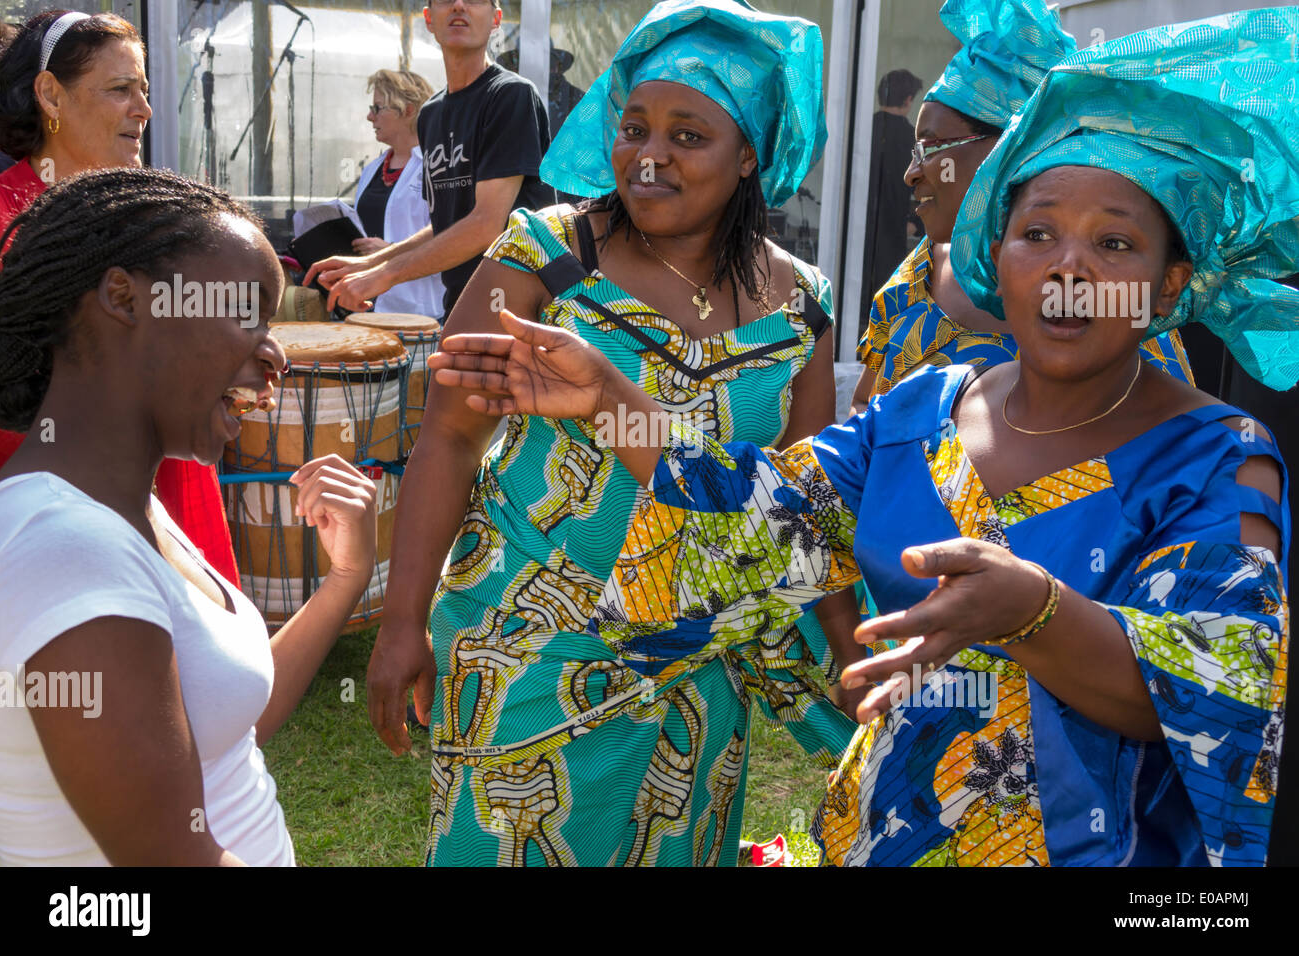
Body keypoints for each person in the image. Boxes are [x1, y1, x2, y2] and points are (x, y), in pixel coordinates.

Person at [430, 7, 1296, 866]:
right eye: (1038, 234)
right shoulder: (922, 416)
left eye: (1114, 243)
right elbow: (758, 515)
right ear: (999, 257)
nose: (1069, 269)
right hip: (892, 837)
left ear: (1169, 281)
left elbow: (1229, 687)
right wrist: (611, 400)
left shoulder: (1216, 458)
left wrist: (1035, 611)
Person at [366, 0, 856, 866]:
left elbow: (801, 514)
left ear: (750, 155)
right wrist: (403, 618)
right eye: (633, 127)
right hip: (524, 648)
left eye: (688, 135)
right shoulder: (543, 257)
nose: (649, 156)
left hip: (698, 673)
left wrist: (857, 660)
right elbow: (446, 439)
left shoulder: (802, 307)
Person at [0, 167, 379, 866]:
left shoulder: (123, 506)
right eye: (246, 314)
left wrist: (345, 578)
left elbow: (220, 728)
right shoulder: (64, 549)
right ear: (123, 298)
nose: (274, 356)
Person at [850, 0, 1193, 413]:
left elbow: (1167, 442)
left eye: (933, 147)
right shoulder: (913, 280)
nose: (912, 172)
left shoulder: (1114, 305)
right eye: (914, 149)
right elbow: (863, 407)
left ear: (1006, 151)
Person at [0, 9, 241, 588]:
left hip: (168, 491)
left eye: (146, 91)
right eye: (119, 90)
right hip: (57, 512)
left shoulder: (144, 213)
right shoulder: (7, 221)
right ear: (50, 96)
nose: (144, 110)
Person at [305, 0, 554, 318]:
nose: (459, 5)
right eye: (446, 0)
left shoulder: (509, 95)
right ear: (428, 18)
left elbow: (486, 225)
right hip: (458, 307)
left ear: (496, 19)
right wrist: (371, 262)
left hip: (519, 310)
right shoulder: (432, 114)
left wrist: (384, 275)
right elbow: (444, 224)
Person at [350, 68, 446, 317]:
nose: (370, 117)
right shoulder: (373, 169)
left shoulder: (438, 167)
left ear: (409, 110)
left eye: (378, 108)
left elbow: (453, 245)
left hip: (418, 318)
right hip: (369, 311)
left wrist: (389, 251)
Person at [864, 68, 922, 296]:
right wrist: (916, 224)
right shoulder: (913, 139)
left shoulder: (860, 131)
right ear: (908, 100)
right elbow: (927, 190)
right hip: (893, 234)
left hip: (856, 232)